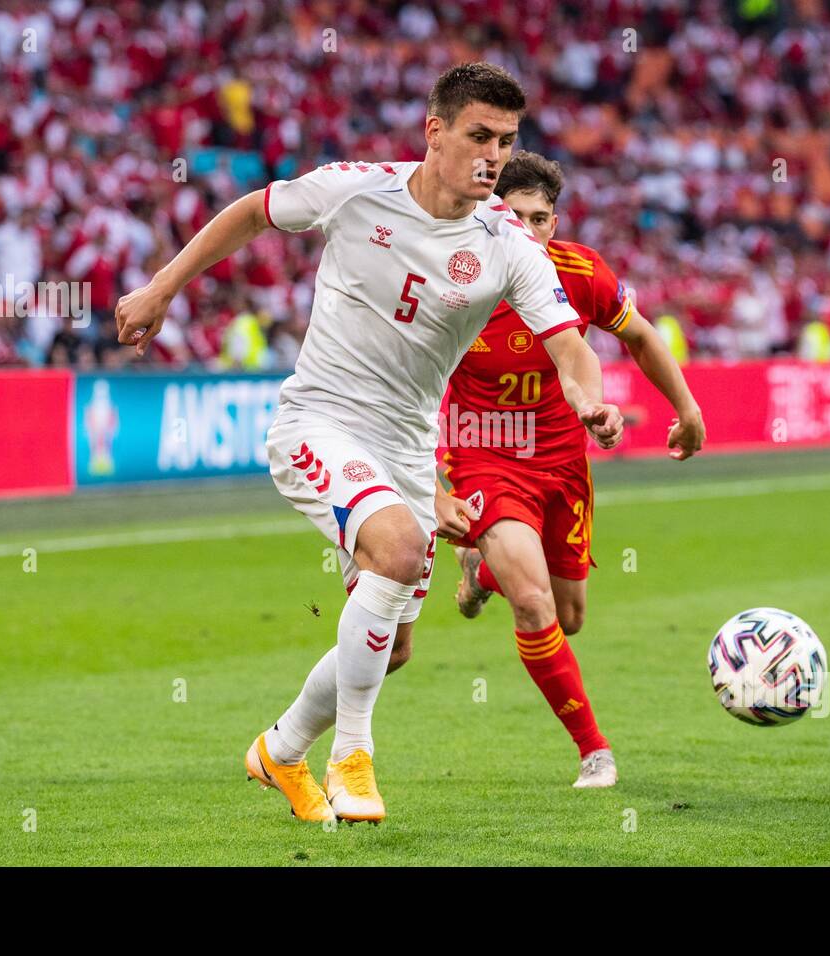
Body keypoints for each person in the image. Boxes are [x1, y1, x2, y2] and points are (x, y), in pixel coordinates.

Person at [113, 64, 624, 824]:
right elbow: (253, 213)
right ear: (435, 132)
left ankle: (281, 751)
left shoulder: (509, 242)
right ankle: (353, 755)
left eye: (507, 141)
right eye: (479, 136)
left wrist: (588, 395)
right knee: (394, 548)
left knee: (395, 644)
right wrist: (161, 285)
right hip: (319, 419)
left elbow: (568, 344)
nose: (492, 155)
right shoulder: (358, 188)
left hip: (407, 449)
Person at [436, 151, 705, 788]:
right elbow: (415, 388)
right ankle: (594, 751)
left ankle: (481, 570)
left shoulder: (580, 272)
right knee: (534, 605)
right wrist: (432, 478)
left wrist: (686, 408)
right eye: (517, 217)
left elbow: (637, 337)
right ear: (489, 216)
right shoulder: (457, 282)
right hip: (484, 454)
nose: (530, 232)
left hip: (562, 461)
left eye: (542, 219)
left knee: (570, 614)